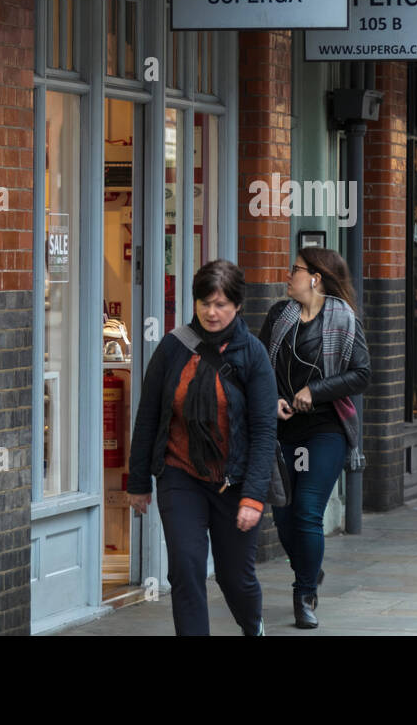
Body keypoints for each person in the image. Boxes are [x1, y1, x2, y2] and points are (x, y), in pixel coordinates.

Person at [127, 259, 279, 634]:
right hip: (181, 474)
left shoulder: (253, 354)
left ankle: (253, 626)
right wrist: (138, 481)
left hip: (236, 482)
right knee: (186, 567)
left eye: (221, 304)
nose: (211, 312)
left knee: (235, 578)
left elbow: (263, 430)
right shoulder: (173, 347)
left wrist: (254, 496)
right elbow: (148, 414)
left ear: (238, 305)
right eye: (204, 302)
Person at [259, 247, 370, 630]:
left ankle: (304, 595)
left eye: (296, 270)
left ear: (316, 278)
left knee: (306, 511)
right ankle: (310, 567)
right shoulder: (279, 315)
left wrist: (316, 391)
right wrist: (273, 399)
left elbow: (361, 374)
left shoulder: (344, 319)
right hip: (284, 430)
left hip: (324, 430)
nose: (289, 276)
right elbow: (259, 365)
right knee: (284, 514)